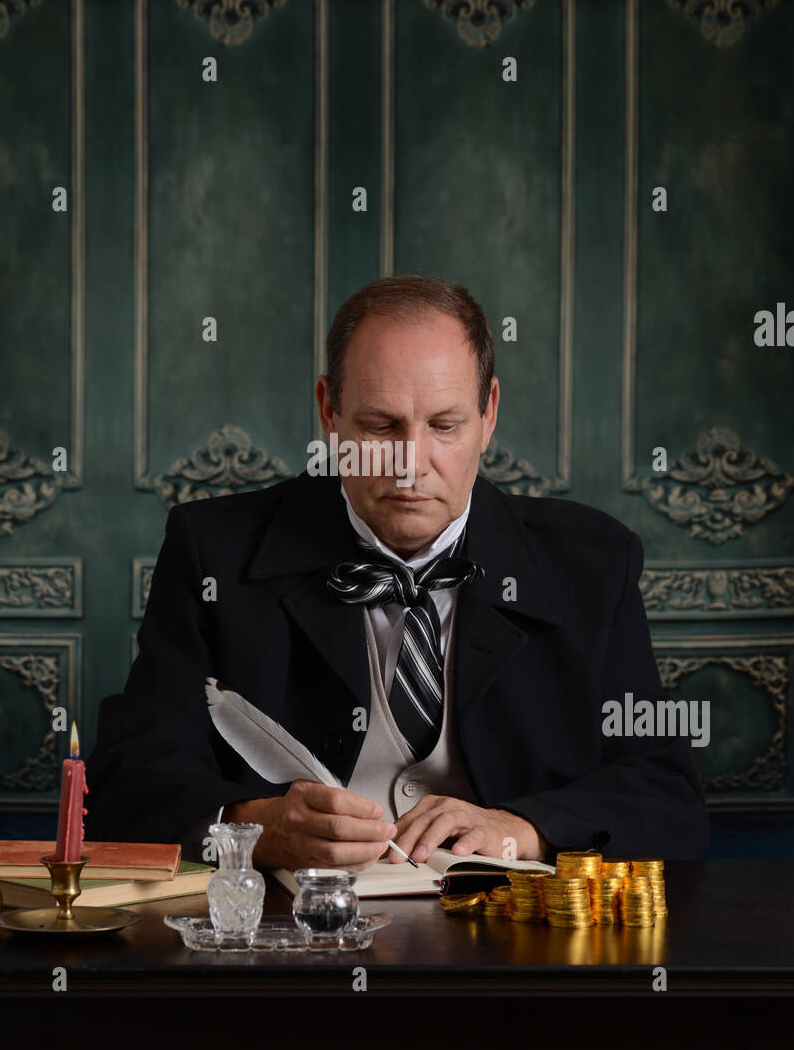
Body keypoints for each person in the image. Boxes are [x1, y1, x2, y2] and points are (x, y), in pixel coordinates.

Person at [86, 276, 709, 868]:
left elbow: (664, 793)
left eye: (445, 425)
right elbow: (128, 777)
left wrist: (527, 829)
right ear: (330, 410)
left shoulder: (593, 563)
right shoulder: (211, 551)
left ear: (488, 413)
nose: (411, 463)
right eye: (380, 426)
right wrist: (257, 830)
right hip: (292, 940)